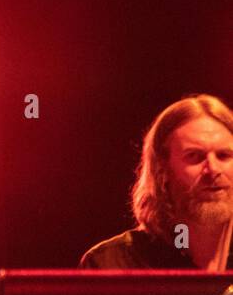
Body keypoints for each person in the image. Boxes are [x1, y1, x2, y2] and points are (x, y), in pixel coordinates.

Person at [80, 94, 233, 270]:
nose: (213, 170)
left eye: (224, 156)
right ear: (162, 170)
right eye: (194, 156)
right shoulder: (111, 264)